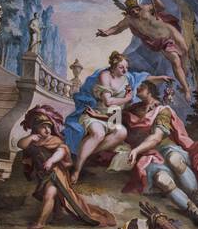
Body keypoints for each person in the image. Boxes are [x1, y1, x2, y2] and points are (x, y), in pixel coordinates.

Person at [121, 83, 198, 229]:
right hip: (149, 156)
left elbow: (157, 137)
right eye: (137, 85)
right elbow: (119, 120)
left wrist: (136, 149)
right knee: (162, 180)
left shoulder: (162, 109)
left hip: (166, 148)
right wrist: (125, 99)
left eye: (142, 85)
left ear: (150, 90)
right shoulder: (132, 110)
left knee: (174, 159)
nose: (138, 87)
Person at [64, 51, 173, 183]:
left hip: (112, 117)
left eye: (126, 68)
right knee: (98, 134)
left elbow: (141, 78)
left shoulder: (127, 78)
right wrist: (127, 98)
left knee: (122, 132)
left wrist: (160, 78)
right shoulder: (105, 76)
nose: (125, 70)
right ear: (113, 66)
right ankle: (77, 169)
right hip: (95, 114)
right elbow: (108, 102)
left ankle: (85, 155)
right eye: (121, 67)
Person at [17, 106, 115, 229]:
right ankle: (57, 214)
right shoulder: (34, 141)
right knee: (56, 194)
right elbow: (20, 144)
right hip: (44, 174)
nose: (47, 130)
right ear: (36, 128)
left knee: (49, 194)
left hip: (56, 173)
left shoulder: (54, 139)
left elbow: (61, 151)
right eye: (43, 127)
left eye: (49, 127)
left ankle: (41, 222)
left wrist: (51, 160)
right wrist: (30, 138)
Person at [98, 0, 192, 101]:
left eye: (136, 9)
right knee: (175, 61)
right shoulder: (129, 20)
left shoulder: (146, 8)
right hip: (161, 42)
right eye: (132, 11)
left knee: (185, 50)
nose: (136, 12)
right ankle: (186, 89)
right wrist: (106, 32)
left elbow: (161, 7)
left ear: (138, 6)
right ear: (128, 12)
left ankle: (186, 69)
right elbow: (117, 28)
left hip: (169, 30)